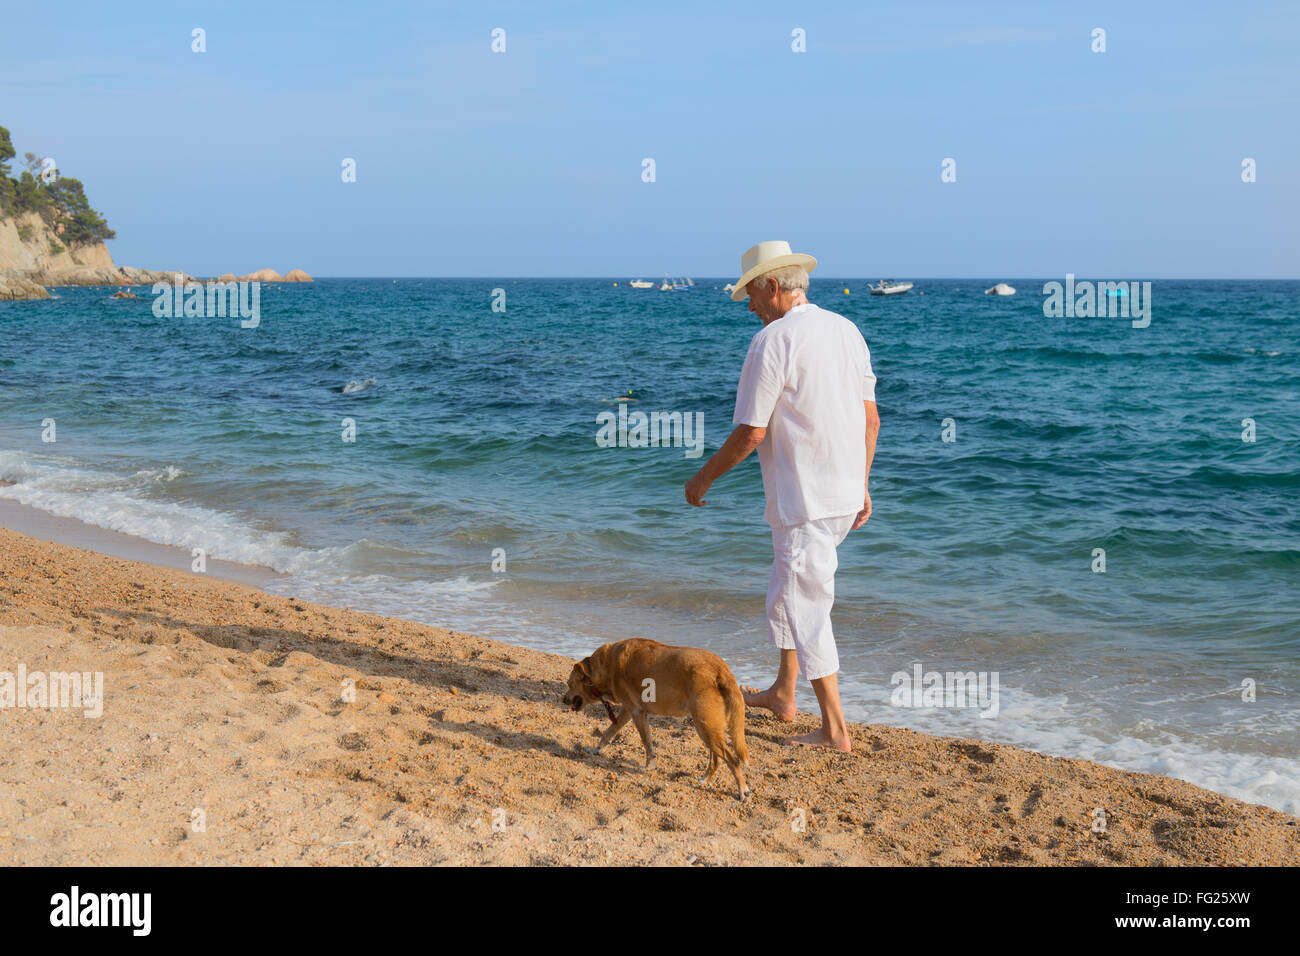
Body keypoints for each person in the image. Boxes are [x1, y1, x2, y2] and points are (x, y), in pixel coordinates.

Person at [684, 241, 879, 750]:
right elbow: (870, 417)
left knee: (805, 602)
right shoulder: (847, 329)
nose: (748, 306)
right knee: (787, 589)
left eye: (750, 293)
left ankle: (835, 730)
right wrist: (862, 484)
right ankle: (784, 693)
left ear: (773, 286)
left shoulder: (772, 342)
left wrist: (701, 480)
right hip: (841, 494)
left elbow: (751, 432)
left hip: (805, 501)